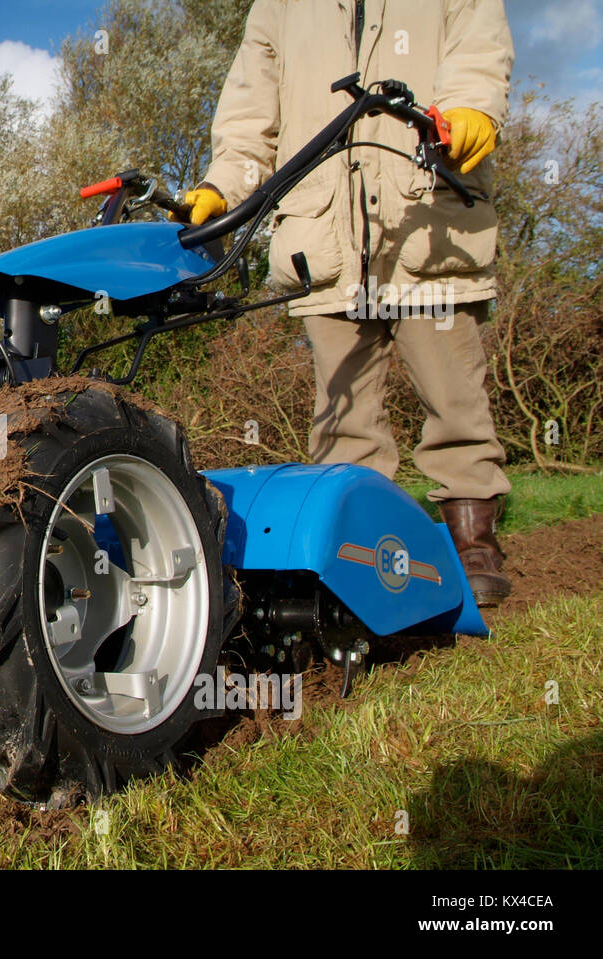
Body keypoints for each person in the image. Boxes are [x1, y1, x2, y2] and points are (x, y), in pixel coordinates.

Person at [180, 0, 516, 607]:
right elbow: (250, 116)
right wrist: (219, 188)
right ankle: (362, 557)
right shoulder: (278, 9)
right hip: (324, 234)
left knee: (455, 397)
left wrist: (471, 108)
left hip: (426, 219)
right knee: (343, 422)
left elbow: (479, 52)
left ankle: (473, 543)